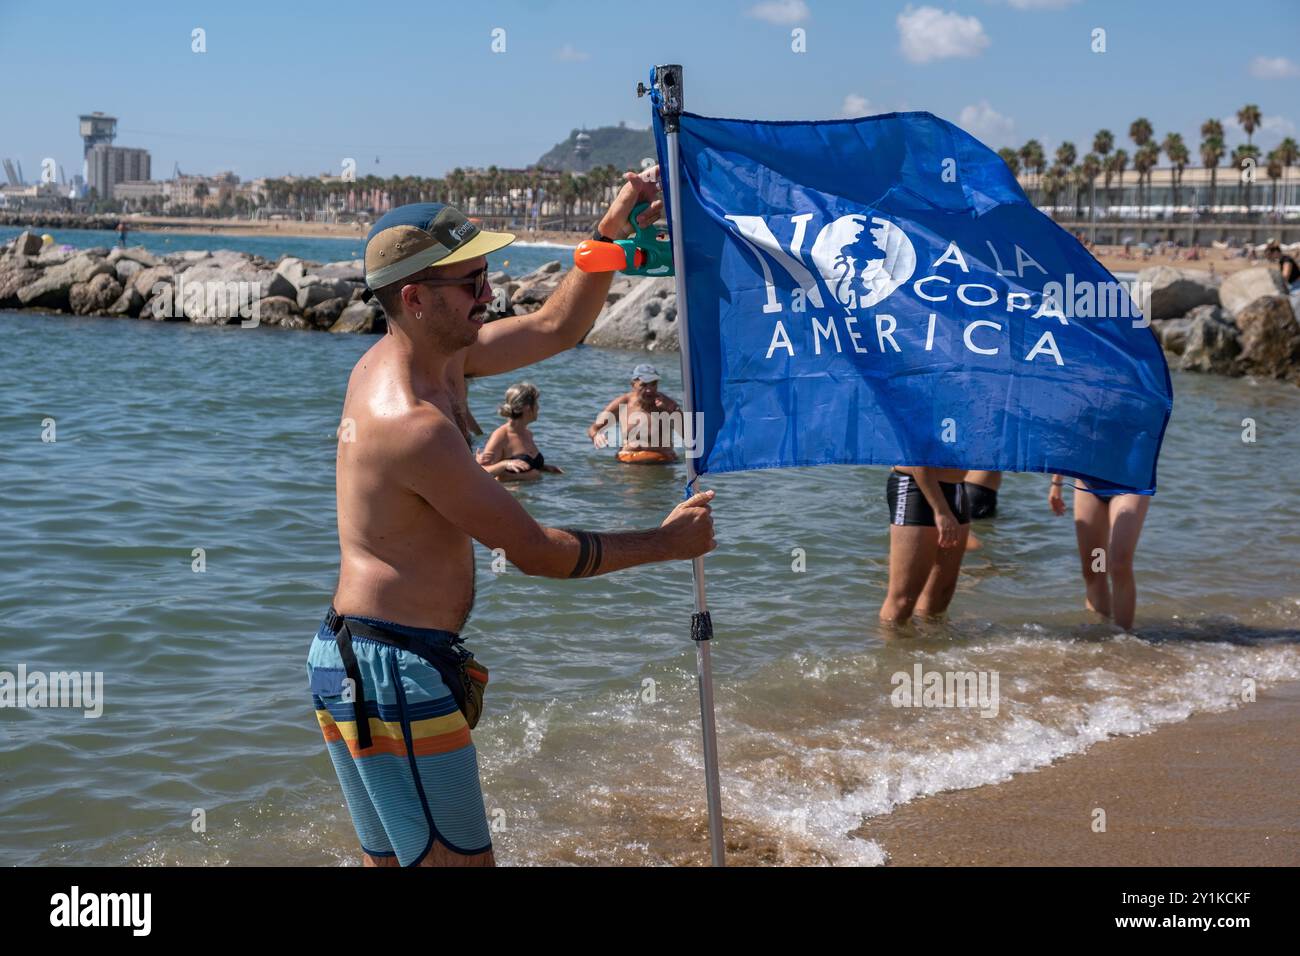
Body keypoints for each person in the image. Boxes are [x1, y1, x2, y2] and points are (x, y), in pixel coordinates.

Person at [309, 178, 709, 869]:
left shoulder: (439, 358)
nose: (489, 295)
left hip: (367, 661)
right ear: (415, 298)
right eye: (471, 284)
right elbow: (536, 551)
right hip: (392, 670)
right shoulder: (410, 420)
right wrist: (667, 543)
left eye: (485, 277)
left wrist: (608, 236)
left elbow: (558, 327)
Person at [1048, 475, 1149, 631]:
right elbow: (1071, 449)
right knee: (1096, 569)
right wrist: (1057, 482)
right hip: (1090, 483)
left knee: (1119, 563)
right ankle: (1100, 632)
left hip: (1129, 482)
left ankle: (1124, 638)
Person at [879, 466, 971, 625]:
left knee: (940, 594)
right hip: (916, 486)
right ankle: (893, 648)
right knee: (903, 600)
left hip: (956, 487)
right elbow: (917, 455)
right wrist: (941, 511)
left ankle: (929, 646)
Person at [587, 364, 680, 464]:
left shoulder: (667, 404)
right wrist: (596, 435)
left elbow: (689, 434)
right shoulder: (623, 403)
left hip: (661, 463)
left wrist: (672, 411)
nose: (649, 390)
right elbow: (593, 428)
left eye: (653, 384)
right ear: (633, 385)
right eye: (643, 385)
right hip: (629, 462)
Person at [477, 381, 561, 482]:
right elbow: (480, 472)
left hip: (532, 495)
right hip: (509, 495)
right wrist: (505, 464)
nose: (538, 407)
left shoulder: (528, 433)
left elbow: (525, 465)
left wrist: (544, 468)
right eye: (536, 403)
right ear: (527, 408)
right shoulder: (501, 436)